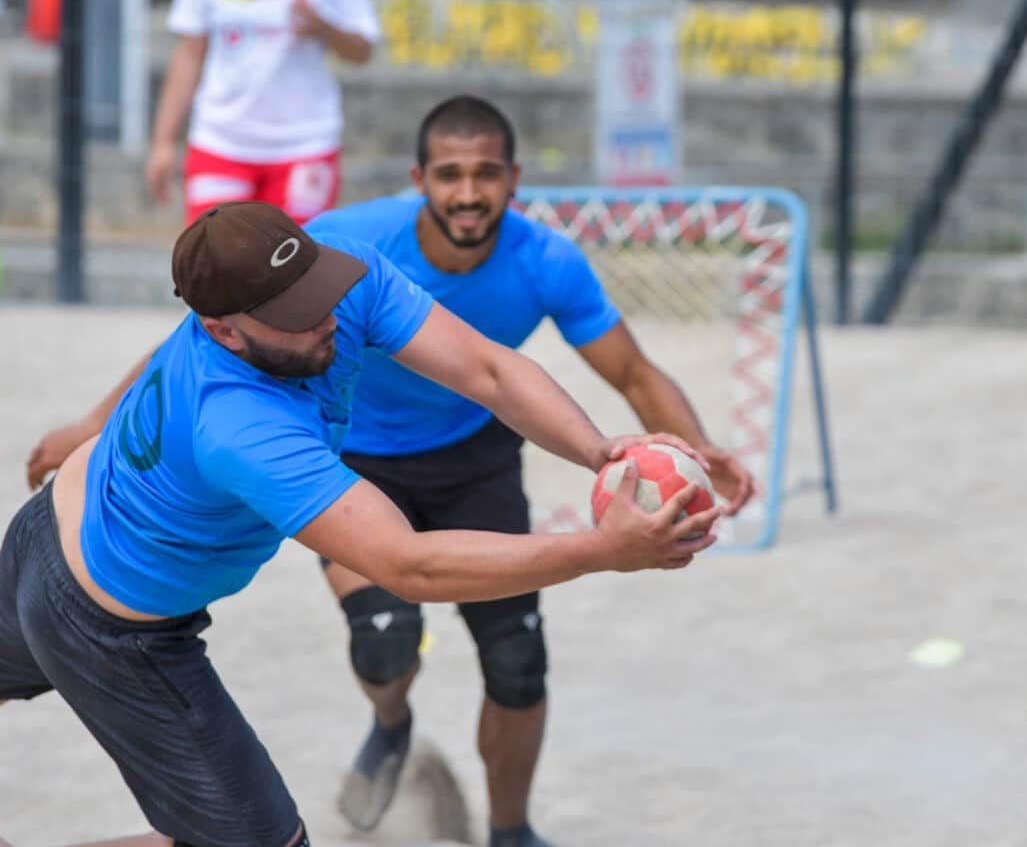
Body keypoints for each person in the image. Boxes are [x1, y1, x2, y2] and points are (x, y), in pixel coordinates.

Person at [4, 201, 719, 846]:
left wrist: (598, 448)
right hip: (108, 626)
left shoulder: (338, 274)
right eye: (294, 314)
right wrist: (600, 550)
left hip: (50, 523)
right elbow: (407, 564)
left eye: (319, 291)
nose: (327, 318)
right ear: (222, 330)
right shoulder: (237, 423)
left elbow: (489, 372)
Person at [300, 95, 757, 843]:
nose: (469, 193)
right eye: (450, 175)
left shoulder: (545, 261)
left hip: (475, 461)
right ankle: (392, 721)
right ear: (420, 177)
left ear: (514, 179)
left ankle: (510, 831)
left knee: (518, 659)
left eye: (486, 174)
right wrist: (96, 425)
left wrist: (695, 452)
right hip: (353, 461)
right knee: (384, 637)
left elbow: (635, 374)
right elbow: (217, 333)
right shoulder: (347, 241)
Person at [146, 0, 378, 224]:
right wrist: (163, 142)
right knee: (215, 257)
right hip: (220, 142)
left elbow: (363, 52)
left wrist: (325, 28)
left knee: (294, 261)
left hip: (304, 144)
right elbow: (189, 53)